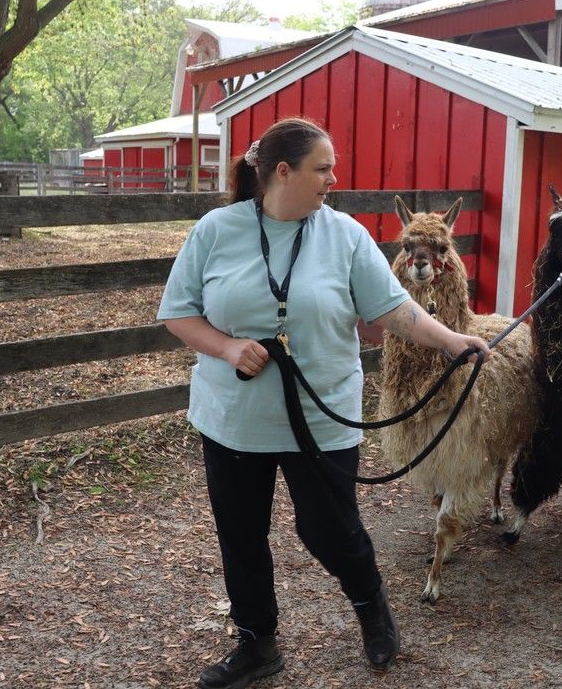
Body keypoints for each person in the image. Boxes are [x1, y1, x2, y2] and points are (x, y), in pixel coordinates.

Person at [158, 117, 490, 688]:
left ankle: (371, 606)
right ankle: (257, 644)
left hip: (321, 416)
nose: (333, 179)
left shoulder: (344, 235)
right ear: (282, 173)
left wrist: (451, 340)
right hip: (234, 419)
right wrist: (229, 346)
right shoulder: (216, 230)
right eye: (323, 169)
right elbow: (178, 313)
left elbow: (391, 309)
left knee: (329, 528)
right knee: (240, 533)